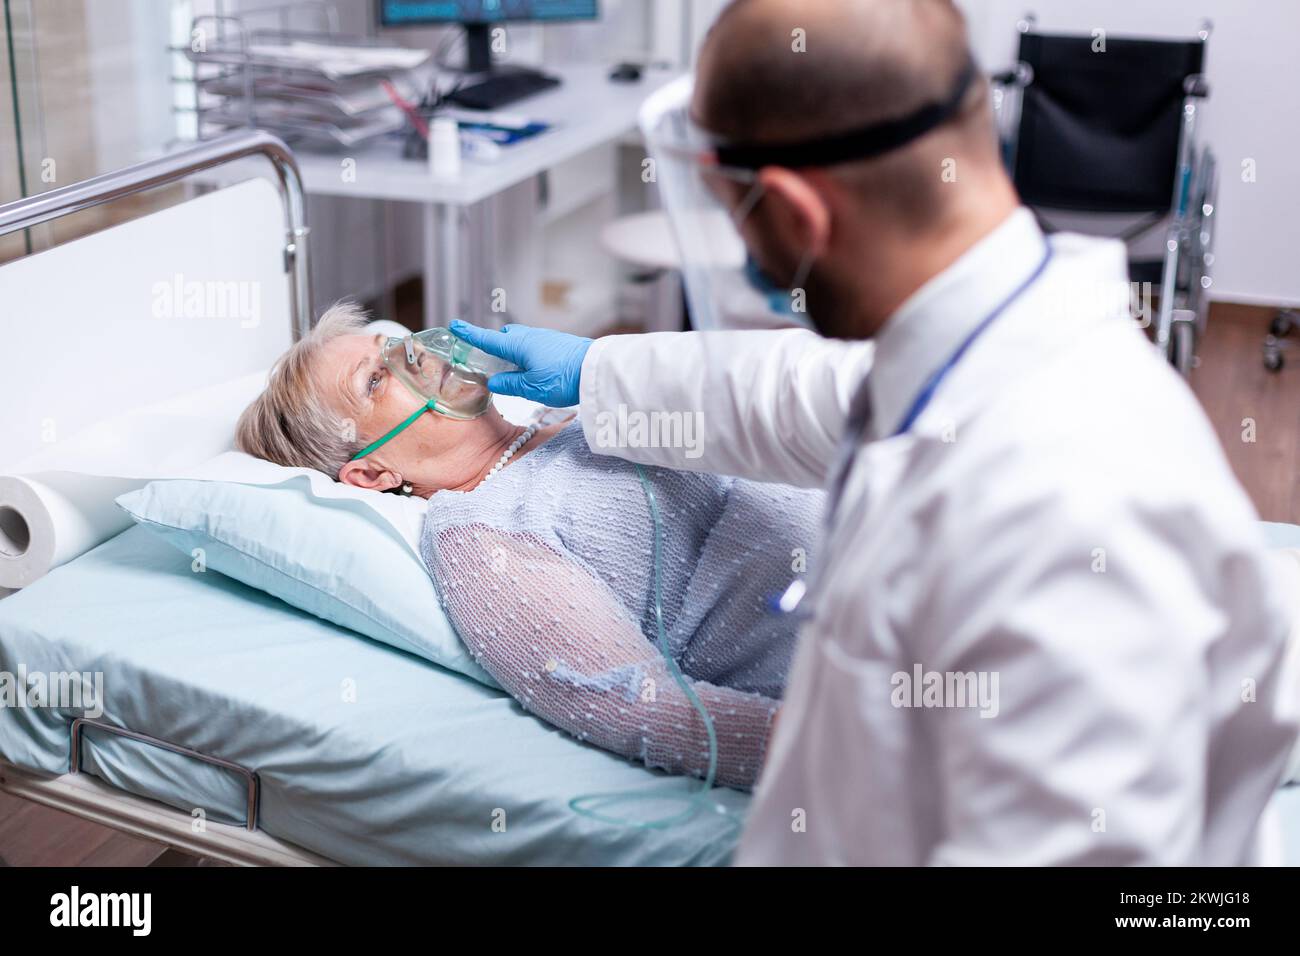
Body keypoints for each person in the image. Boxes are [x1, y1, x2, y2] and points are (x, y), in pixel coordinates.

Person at [448, 0, 1300, 864]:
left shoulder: (1070, 511)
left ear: (797, 215)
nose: (749, 255)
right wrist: (596, 370)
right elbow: (791, 392)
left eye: (735, 218)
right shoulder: (958, 355)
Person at [235, 301, 845, 790]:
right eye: (374, 379)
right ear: (370, 474)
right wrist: (856, 756)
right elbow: (635, 706)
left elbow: (785, 412)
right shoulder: (484, 536)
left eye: (397, 343)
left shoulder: (571, 414)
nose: (411, 354)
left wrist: (600, 371)